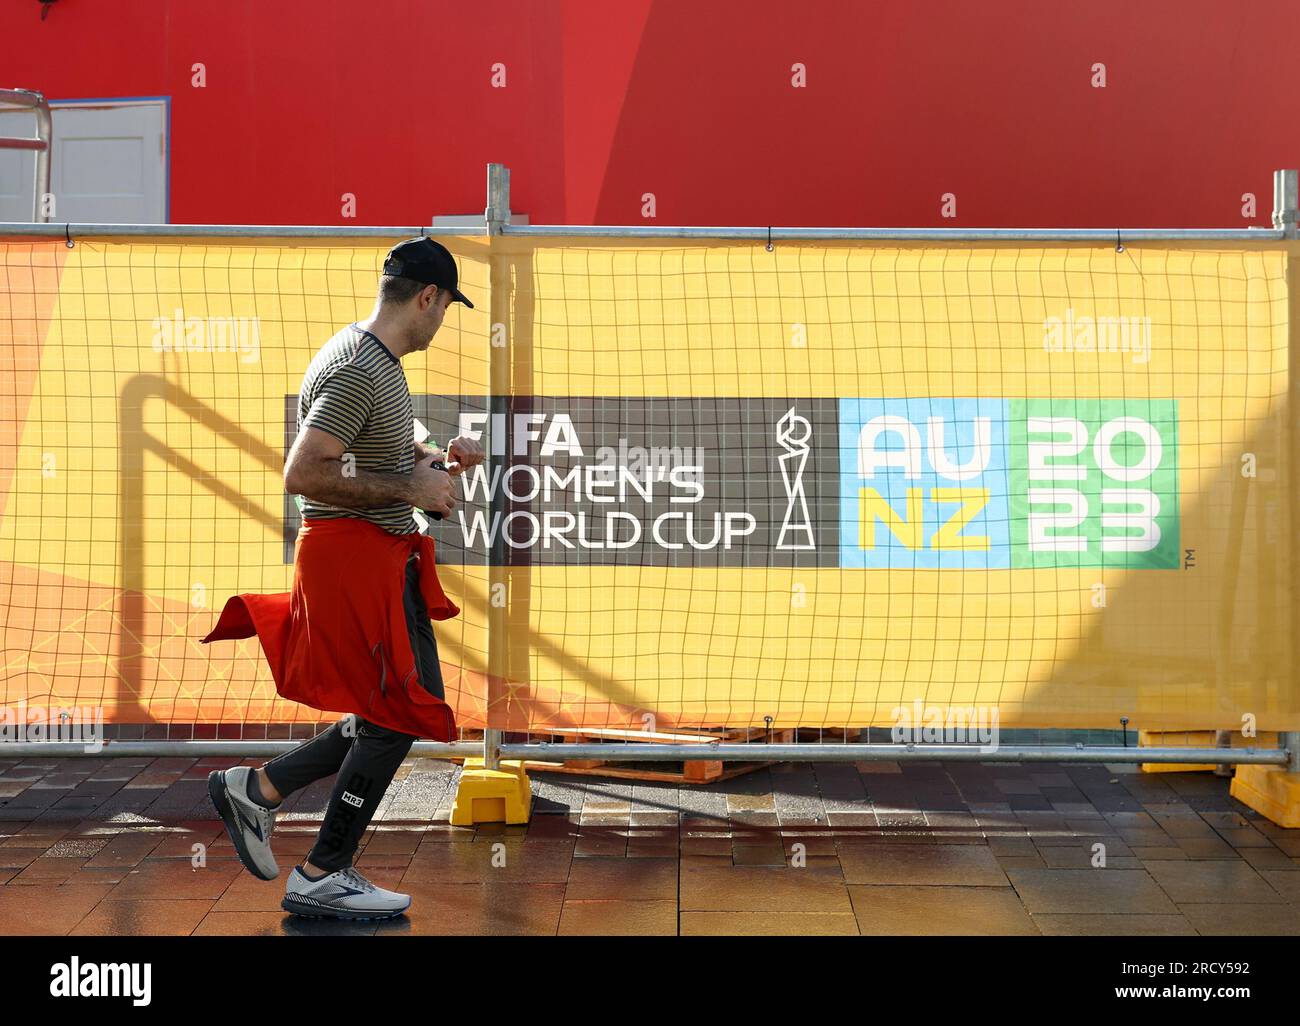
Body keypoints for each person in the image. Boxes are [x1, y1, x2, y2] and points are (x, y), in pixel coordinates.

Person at [203, 237, 485, 920]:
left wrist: (433, 464)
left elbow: (377, 452)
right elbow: (304, 473)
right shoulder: (361, 366)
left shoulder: (369, 358)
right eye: (445, 308)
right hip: (352, 558)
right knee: (398, 712)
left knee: (394, 709)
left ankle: (261, 790)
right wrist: (413, 490)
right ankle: (322, 870)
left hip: (374, 557)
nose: (442, 321)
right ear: (426, 298)